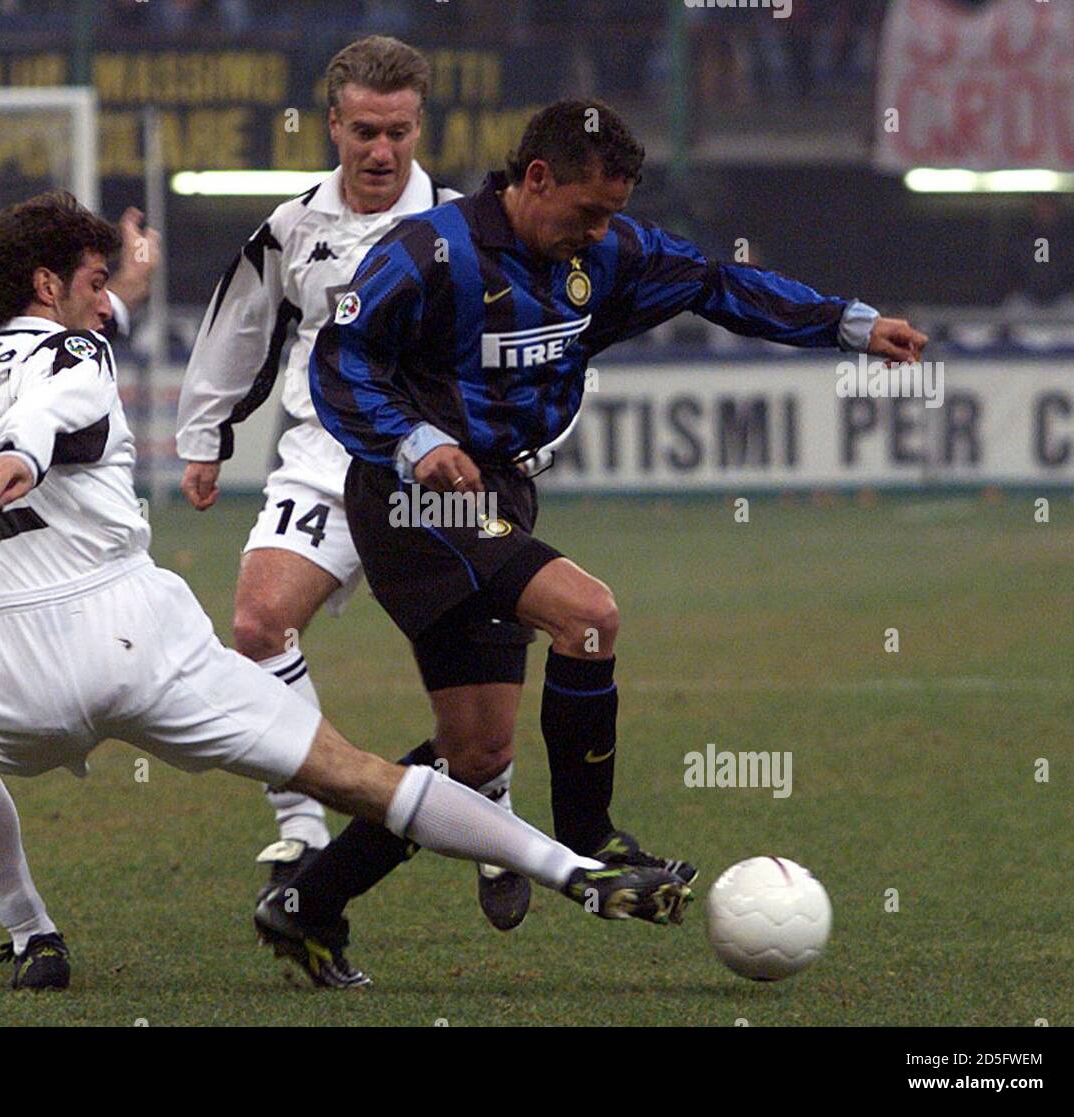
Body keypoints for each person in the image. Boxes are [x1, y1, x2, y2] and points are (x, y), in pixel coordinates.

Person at [0, 189, 692, 993]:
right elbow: (57, 398)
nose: (102, 296)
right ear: (51, 287)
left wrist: (125, 289)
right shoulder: (78, 358)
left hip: (16, 665)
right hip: (141, 641)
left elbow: (52, 356)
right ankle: (572, 869)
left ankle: (30, 931)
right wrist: (26, 450)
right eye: (92, 280)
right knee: (357, 775)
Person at [290, 97, 928, 981]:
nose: (599, 232)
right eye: (588, 211)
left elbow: (714, 282)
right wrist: (416, 441)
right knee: (589, 615)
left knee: (474, 758)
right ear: (537, 177)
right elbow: (341, 359)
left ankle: (308, 903)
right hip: (414, 503)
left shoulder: (605, 253)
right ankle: (591, 839)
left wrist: (848, 324)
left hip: (498, 495)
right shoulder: (432, 251)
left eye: (613, 216)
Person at [176, 36, 537, 931]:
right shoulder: (292, 229)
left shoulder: (472, 228)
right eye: (366, 131)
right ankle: (302, 825)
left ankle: (492, 819)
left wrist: (517, 445)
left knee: (473, 712)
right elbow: (238, 330)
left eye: (401, 133)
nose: (382, 151)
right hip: (328, 460)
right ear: (333, 124)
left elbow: (526, 350)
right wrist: (204, 438)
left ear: (422, 127)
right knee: (259, 624)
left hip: (435, 471)